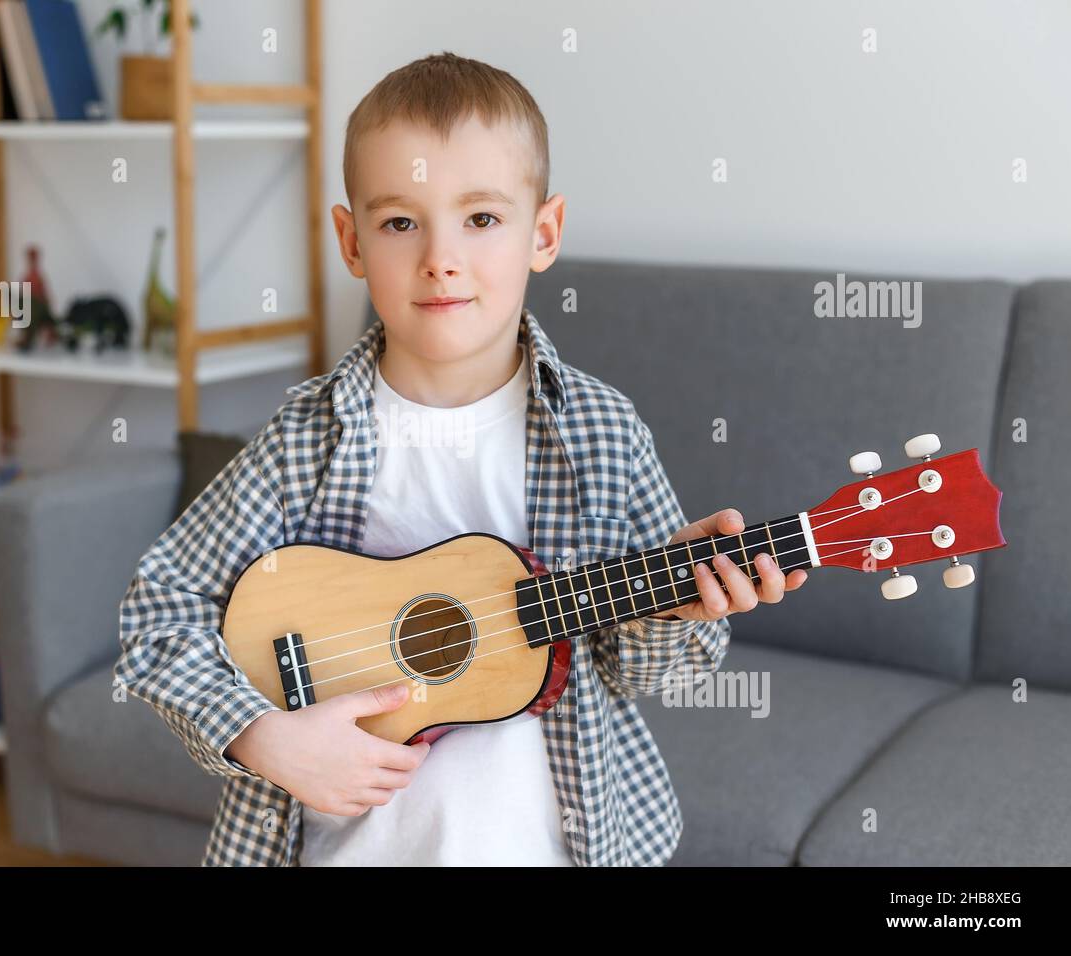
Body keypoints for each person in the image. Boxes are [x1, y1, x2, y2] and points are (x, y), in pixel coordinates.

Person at [115, 52, 807, 867]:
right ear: (351, 240)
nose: (441, 257)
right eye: (401, 222)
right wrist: (262, 733)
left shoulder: (602, 434)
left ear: (542, 233)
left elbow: (636, 669)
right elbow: (158, 610)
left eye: (481, 219)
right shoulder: (307, 436)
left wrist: (682, 607)